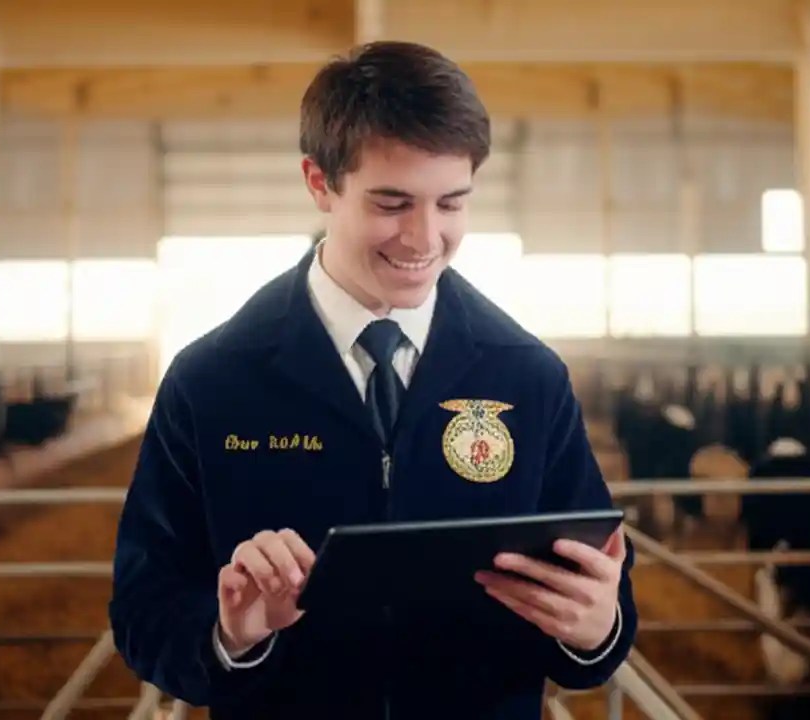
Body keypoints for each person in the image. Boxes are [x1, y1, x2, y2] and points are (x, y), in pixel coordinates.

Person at [110, 40, 636, 720]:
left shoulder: (526, 374)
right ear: (318, 182)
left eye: (451, 203)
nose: (424, 239)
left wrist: (597, 631)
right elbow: (144, 609)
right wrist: (232, 635)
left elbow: (603, 607)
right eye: (392, 203)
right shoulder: (213, 381)